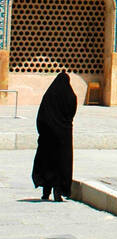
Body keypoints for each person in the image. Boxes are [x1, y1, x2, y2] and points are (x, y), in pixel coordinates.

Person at [32, 71, 77, 202]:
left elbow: (41, 116)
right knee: (61, 163)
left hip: (48, 136)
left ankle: (45, 192)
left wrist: (43, 132)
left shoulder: (49, 96)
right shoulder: (71, 96)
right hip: (64, 136)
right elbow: (71, 114)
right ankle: (58, 192)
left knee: (47, 162)